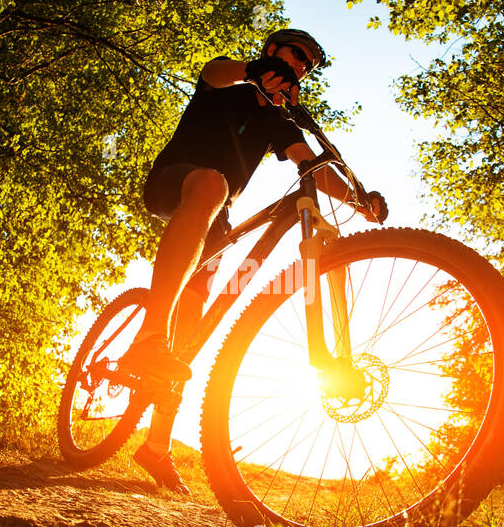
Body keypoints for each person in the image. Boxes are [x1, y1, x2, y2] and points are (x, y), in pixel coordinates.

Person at [120, 28, 388, 494]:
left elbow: (312, 165)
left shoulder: (278, 122)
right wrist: (250, 71)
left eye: (306, 65)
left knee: (194, 323)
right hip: (176, 181)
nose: (299, 65)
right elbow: (212, 72)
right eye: (295, 55)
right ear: (270, 52)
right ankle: (149, 335)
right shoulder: (229, 85)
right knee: (212, 184)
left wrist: (358, 201)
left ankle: (156, 446)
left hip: (214, 218)